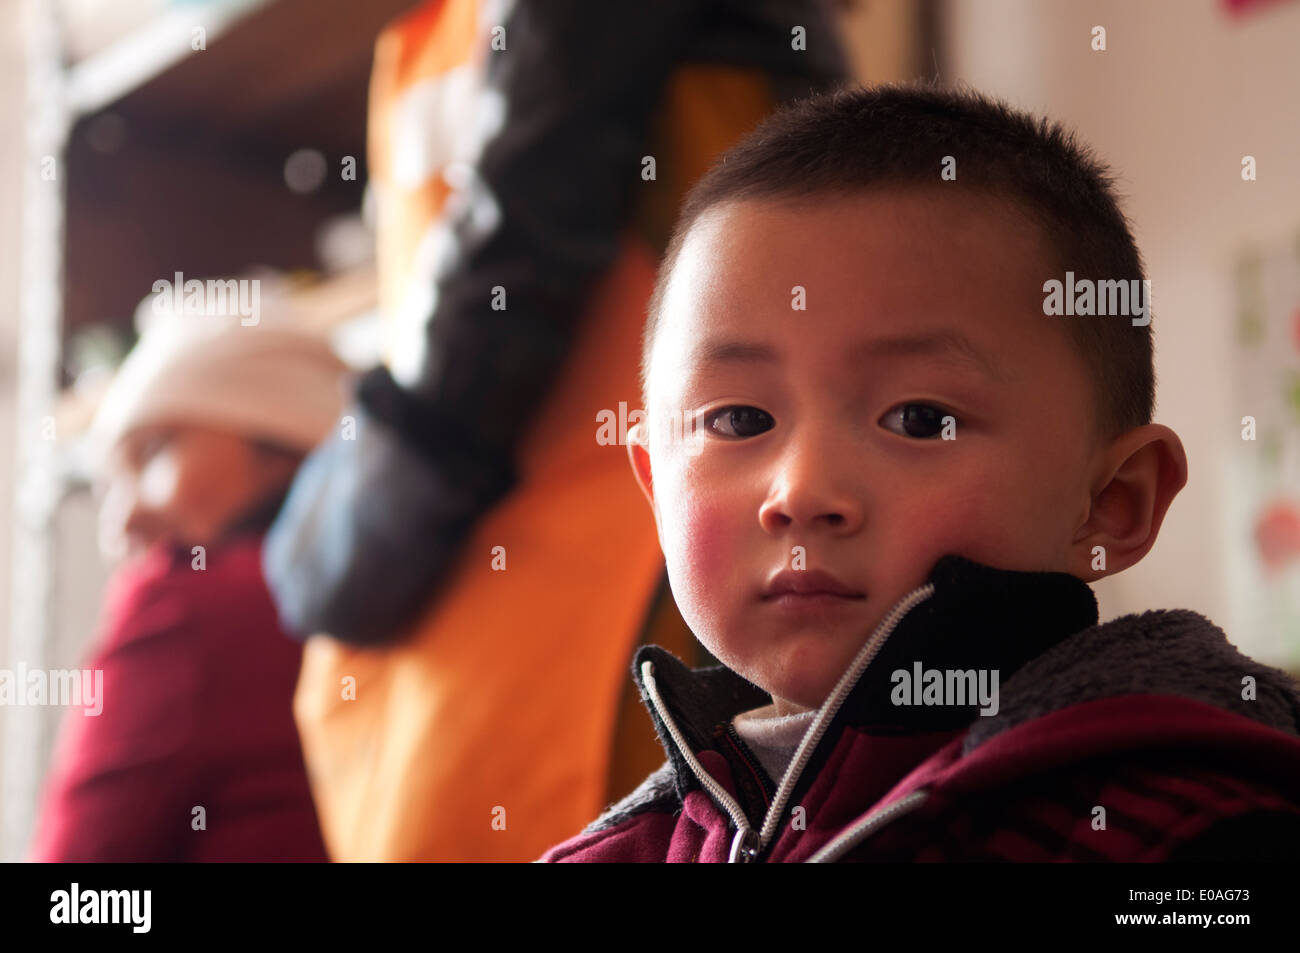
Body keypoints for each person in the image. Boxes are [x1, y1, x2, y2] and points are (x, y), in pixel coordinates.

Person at [539, 84, 1300, 863]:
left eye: (919, 419)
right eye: (739, 420)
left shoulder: (1193, 830)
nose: (801, 492)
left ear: (1111, 501)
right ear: (654, 485)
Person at [264, 0, 853, 861]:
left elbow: (522, 241)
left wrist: (353, 526)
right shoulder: (441, 35)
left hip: (600, 600)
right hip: (493, 602)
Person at [29, 309, 344, 862]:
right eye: (108, 488)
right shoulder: (421, 599)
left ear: (282, 446)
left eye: (152, 453)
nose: (123, 522)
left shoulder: (186, 608)